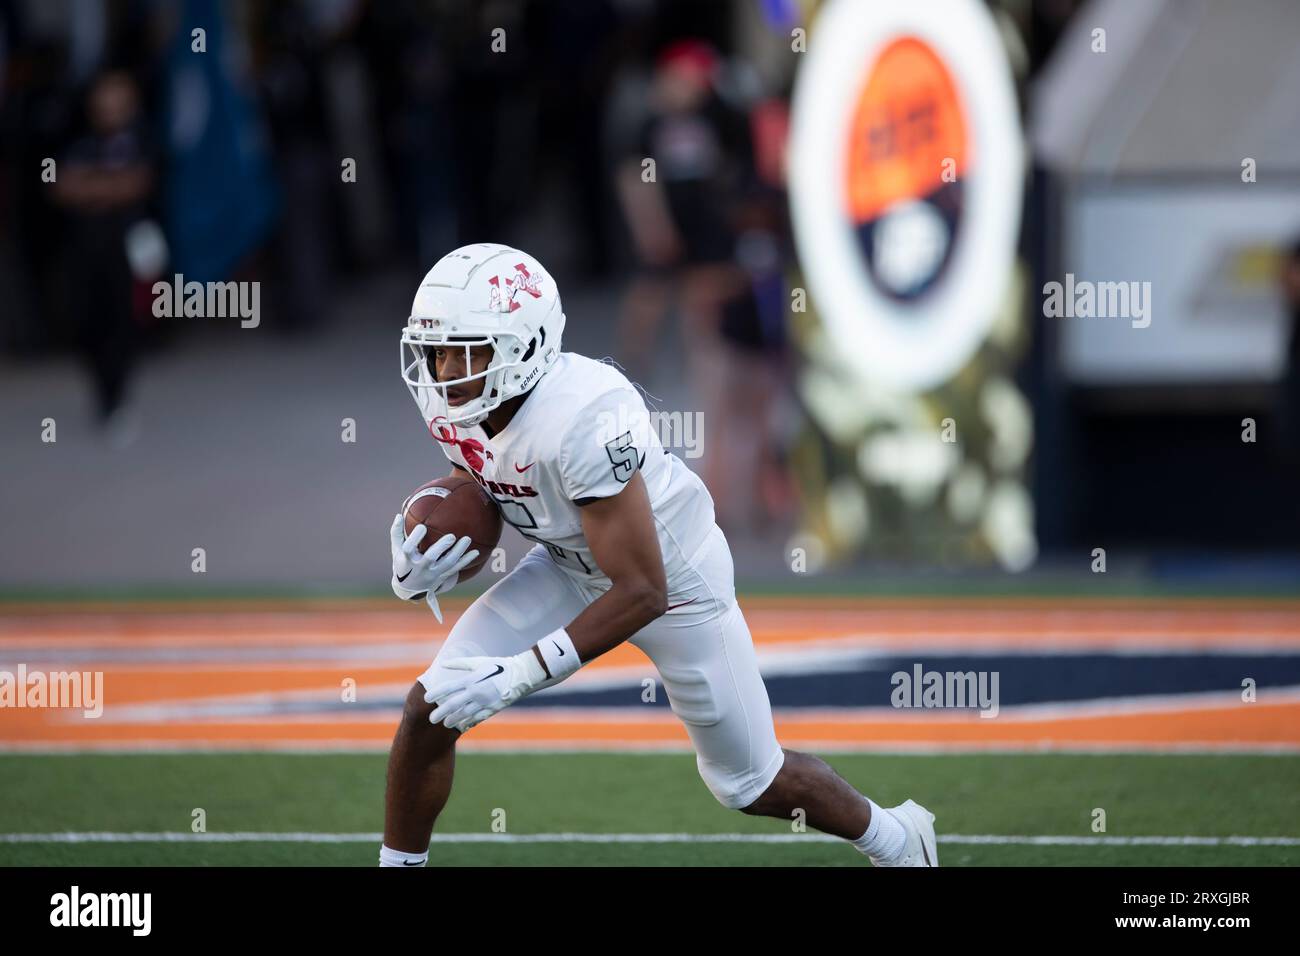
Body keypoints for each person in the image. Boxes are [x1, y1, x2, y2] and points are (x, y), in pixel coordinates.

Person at [380, 243, 937, 867]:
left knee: (750, 783)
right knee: (431, 707)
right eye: (436, 350)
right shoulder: (455, 393)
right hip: (567, 562)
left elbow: (643, 591)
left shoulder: (585, 415)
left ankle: (896, 838)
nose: (445, 369)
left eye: (466, 350)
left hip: (675, 581)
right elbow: (484, 480)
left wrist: (520, 674)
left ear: (524, 347)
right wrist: (428, 561)